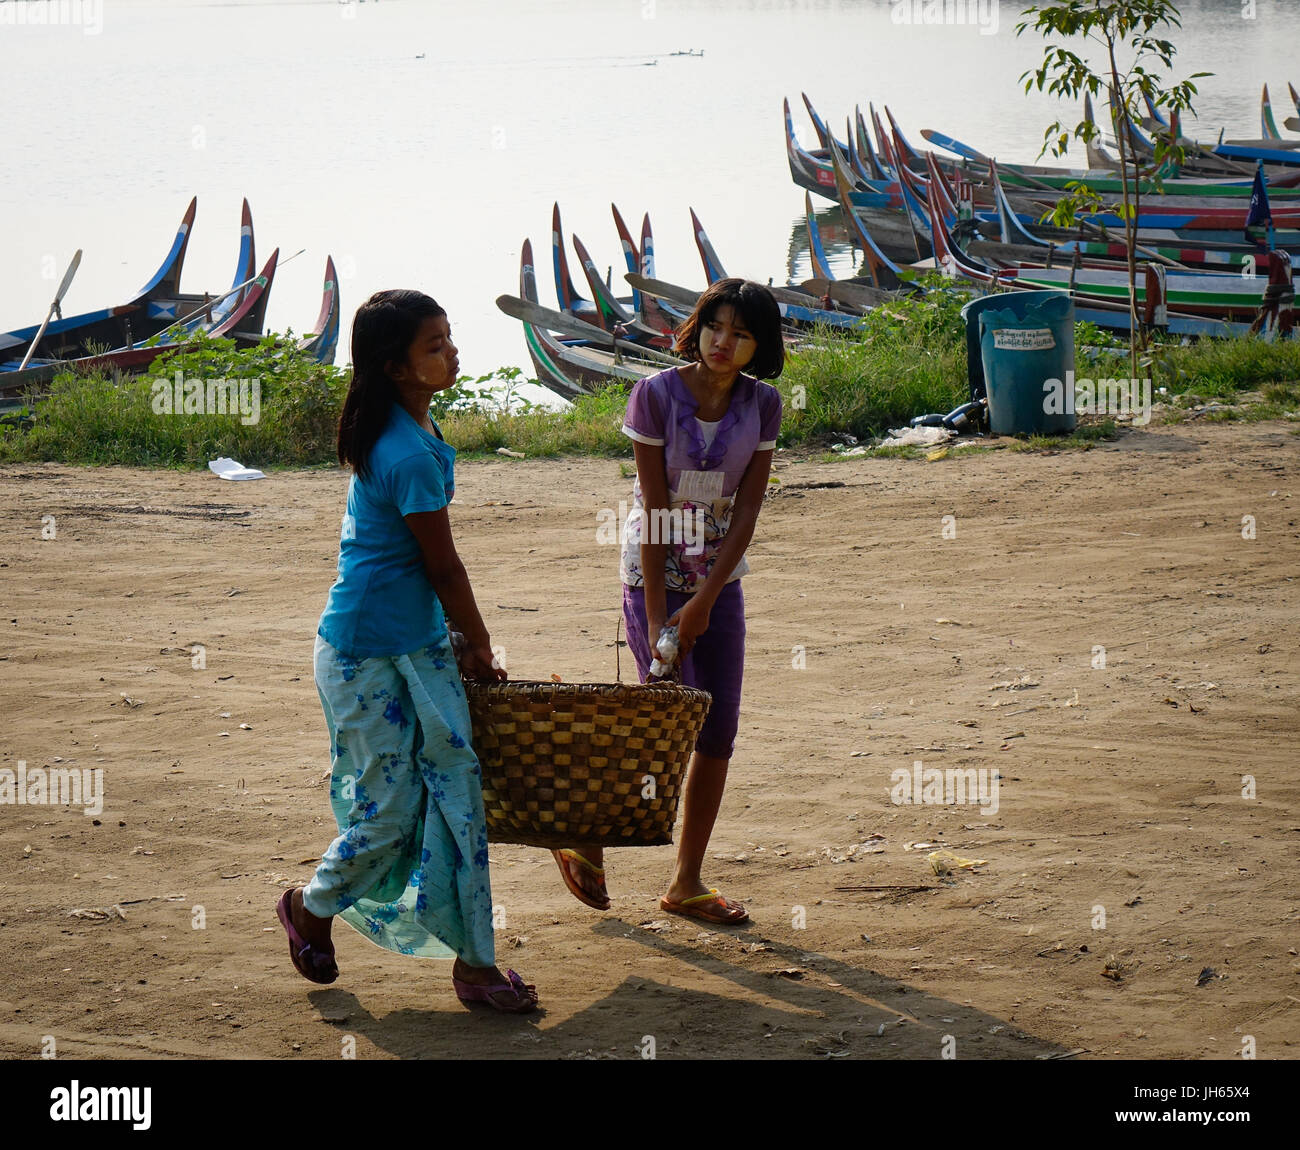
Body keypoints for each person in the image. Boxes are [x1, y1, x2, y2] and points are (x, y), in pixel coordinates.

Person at [275, 289, 538, 1013]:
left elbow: (421, 570)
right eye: (435, 346)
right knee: (391, 811)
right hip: (363, 653)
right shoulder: (401, 449)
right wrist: (479, 645)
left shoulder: (410, 426)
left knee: (459, 791)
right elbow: (443, 565)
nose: (453, 353)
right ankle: (310, 908)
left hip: (415, 643)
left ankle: (475, 964)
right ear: (397, 368)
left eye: (450, 339)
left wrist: (451, 638)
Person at [552, 278, 784, 925]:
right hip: (651, 574)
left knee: (718, 734)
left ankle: (686, 882)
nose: (723, 341)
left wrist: (708, 598)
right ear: (697, 326)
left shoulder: (763, 406)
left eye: (740, 333)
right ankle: (583, 833)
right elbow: (655, 512)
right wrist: (659, 621)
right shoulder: (655, 397)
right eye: (715, 325)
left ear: (757, 346)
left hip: (720, 583)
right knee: (658, 727)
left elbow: (746, 514)